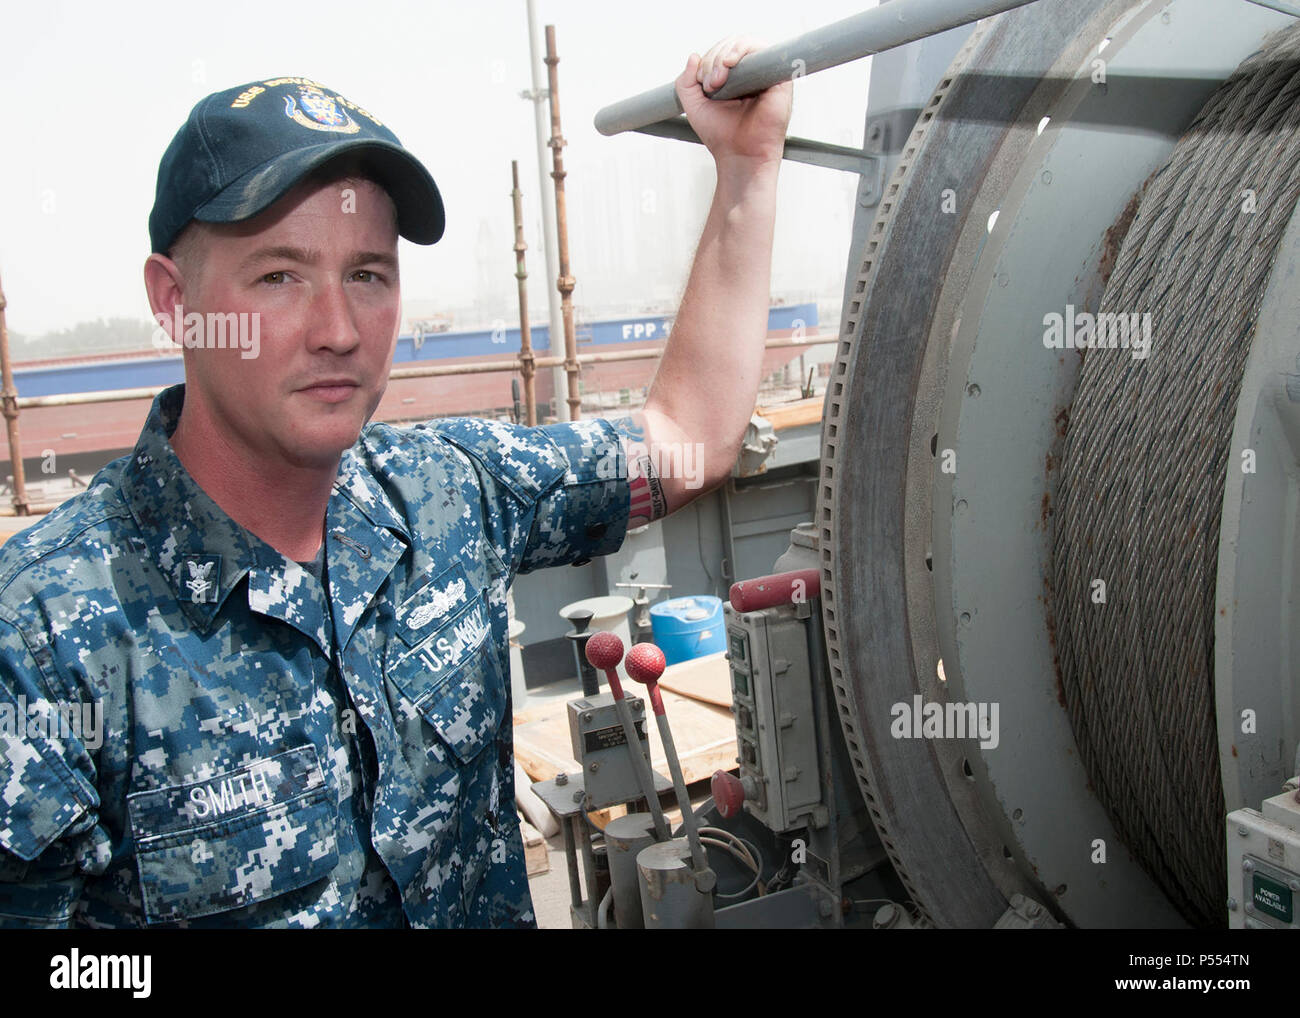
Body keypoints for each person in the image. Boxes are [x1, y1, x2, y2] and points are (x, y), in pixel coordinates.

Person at [0, 38, 791, 928]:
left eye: (367, 274)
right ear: (175, 301)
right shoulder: (42, 636)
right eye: (279, 276)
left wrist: (747, 167)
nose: (338, 329)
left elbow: (687, 439)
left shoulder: (451, 494)